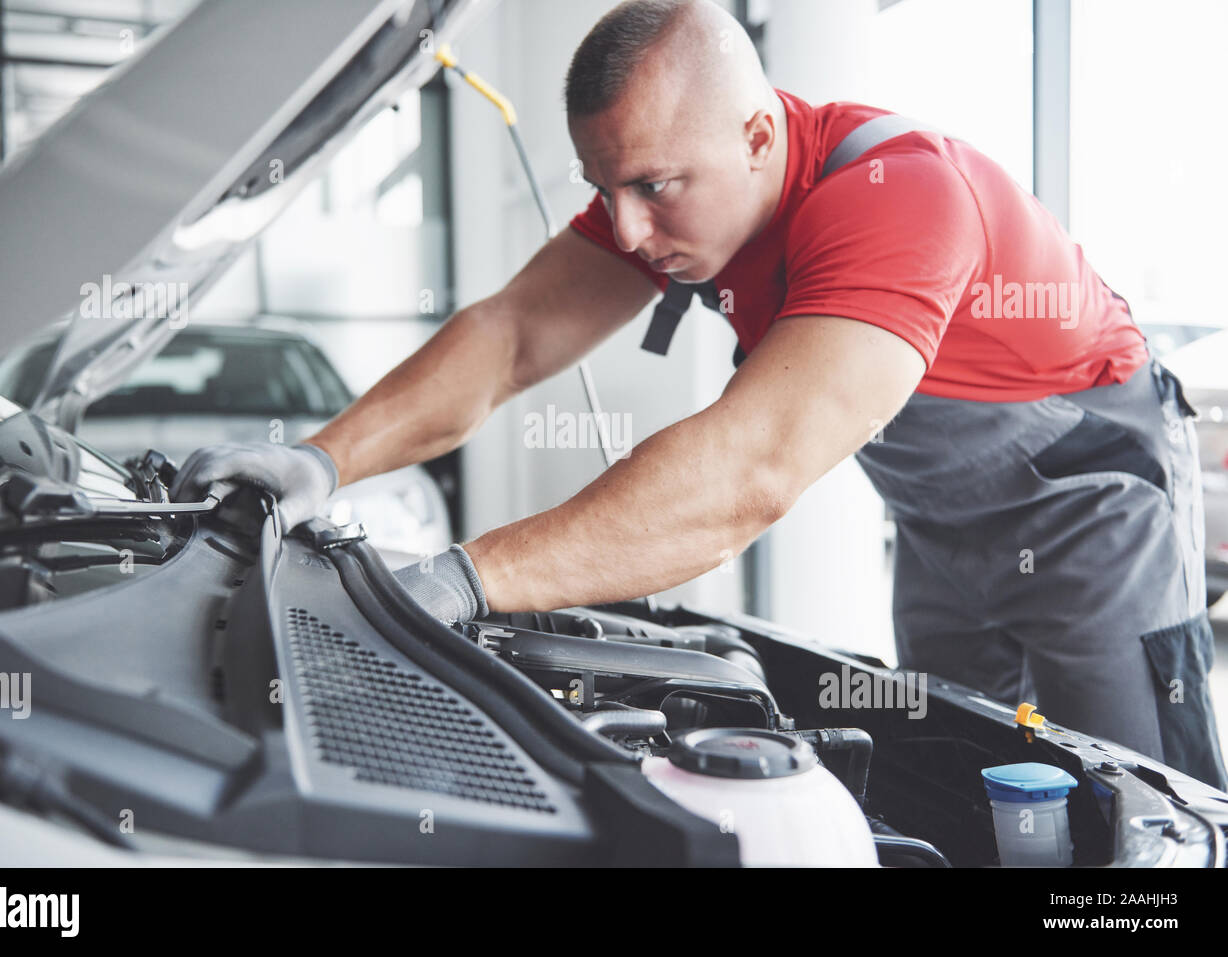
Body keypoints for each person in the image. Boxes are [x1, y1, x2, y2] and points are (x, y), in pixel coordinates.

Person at [175, 0, 1225, 787]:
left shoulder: (896, 196)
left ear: (758, 138)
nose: (624, 231)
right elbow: (509, 337)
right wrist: (317, 461)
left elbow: (749, 473)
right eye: (603, 188)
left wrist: (464, 579)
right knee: (955, 780)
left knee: (1137, 806)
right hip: (943, 528)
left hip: (1093, 513)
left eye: (650, 187)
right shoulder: (683, 198)